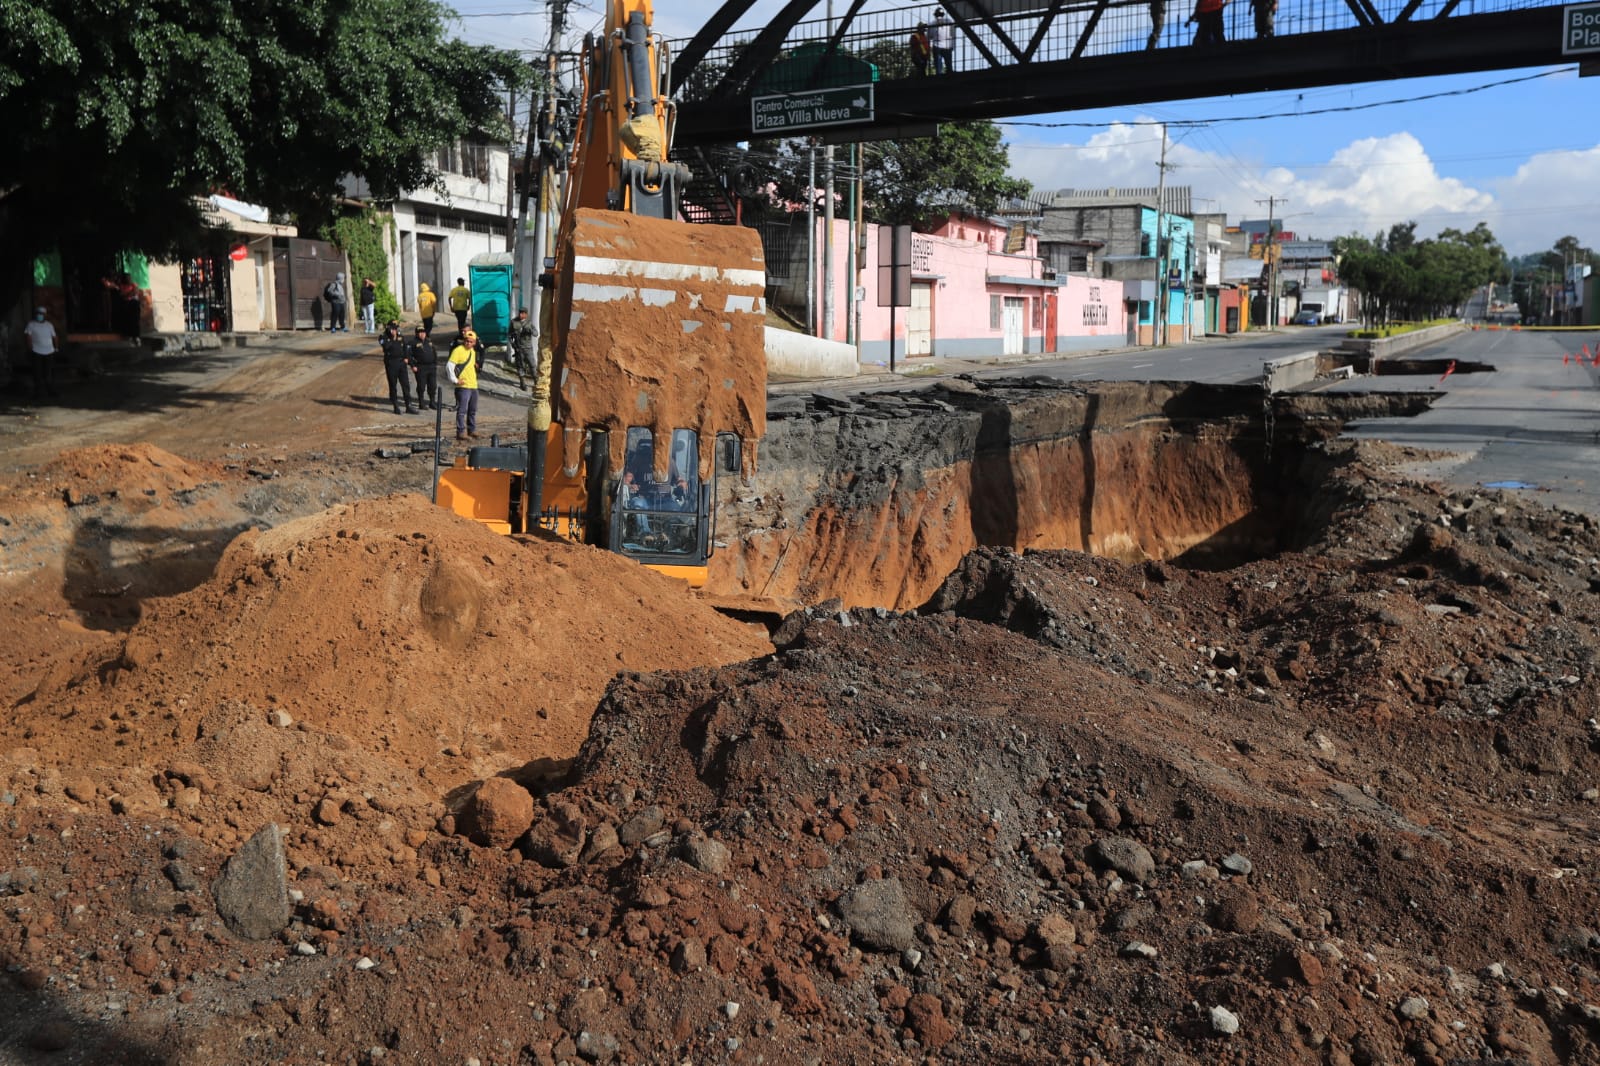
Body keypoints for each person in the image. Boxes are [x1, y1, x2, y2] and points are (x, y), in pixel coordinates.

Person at [446, 329, 482, 441]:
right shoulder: (458, 350)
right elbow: (449, 366)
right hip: (463, 386)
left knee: (472, 410)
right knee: (462, 410)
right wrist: (455, 380)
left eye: (471, 341)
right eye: (466, 340)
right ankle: (461, 432)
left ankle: (471, 429)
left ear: (474, 343)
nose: (468, 343)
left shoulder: (473, 352)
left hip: (473, 385)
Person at [22, 306, 59, 399]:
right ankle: (39, 392)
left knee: (48, 372)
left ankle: (50, 390)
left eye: (42, 314)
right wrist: (30, 348)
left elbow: (54, 337)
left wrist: (56, 347)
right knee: (37, 372)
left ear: (45, 315)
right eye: (38, 313)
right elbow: (28, 337)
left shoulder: (49, 325)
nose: (40, 315)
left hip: (49, 351)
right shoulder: (31, 324)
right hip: (36, 351)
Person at [380, 321, 417, 414]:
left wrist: (406, 358)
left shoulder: (400, 336)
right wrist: (393, 338)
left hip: (401, 363)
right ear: (388, 328)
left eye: (396, 329)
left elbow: (405, 347)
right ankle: (395, 405)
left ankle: (409, 405)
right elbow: (386, 347)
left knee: (406, 385)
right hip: (391, 363)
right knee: (393, 385)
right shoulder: (383, 337)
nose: (395, 330)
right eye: (393, 329)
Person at [408, 325, 439, 410]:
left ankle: (432, 402)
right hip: (420, 367)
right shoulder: (412, 343)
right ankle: (421, 403)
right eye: (420, 332)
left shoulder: (429, 341)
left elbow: (434, 352)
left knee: (433, 385)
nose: (422, 334)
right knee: (421, 386)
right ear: (417, 333)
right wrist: (413, 365)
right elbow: (408, 355)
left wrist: (435, 362)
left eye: (423, 332)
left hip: (431, 367)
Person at [508, 307, 535, 376]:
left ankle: (535, 380)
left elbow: (536, 333)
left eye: (523, 313)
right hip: (518, 348)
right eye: (520, 313)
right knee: (520, 366)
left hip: (528, 348)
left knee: (532, 365)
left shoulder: (529, 322)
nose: (521, 315)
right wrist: (512, 344)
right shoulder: (513, 322)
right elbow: (509, 335)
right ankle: (522, 383)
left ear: (526, 314)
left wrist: (530, 330)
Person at [929, 9, 955, 74]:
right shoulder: (949, 21)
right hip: (947, 45)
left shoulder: (932, 23)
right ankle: (949, 73)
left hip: (938, 46)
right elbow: (953, 34)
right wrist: (953, 45)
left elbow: (930, 36)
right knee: (948, 64)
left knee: (938, 65)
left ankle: (939, 74)